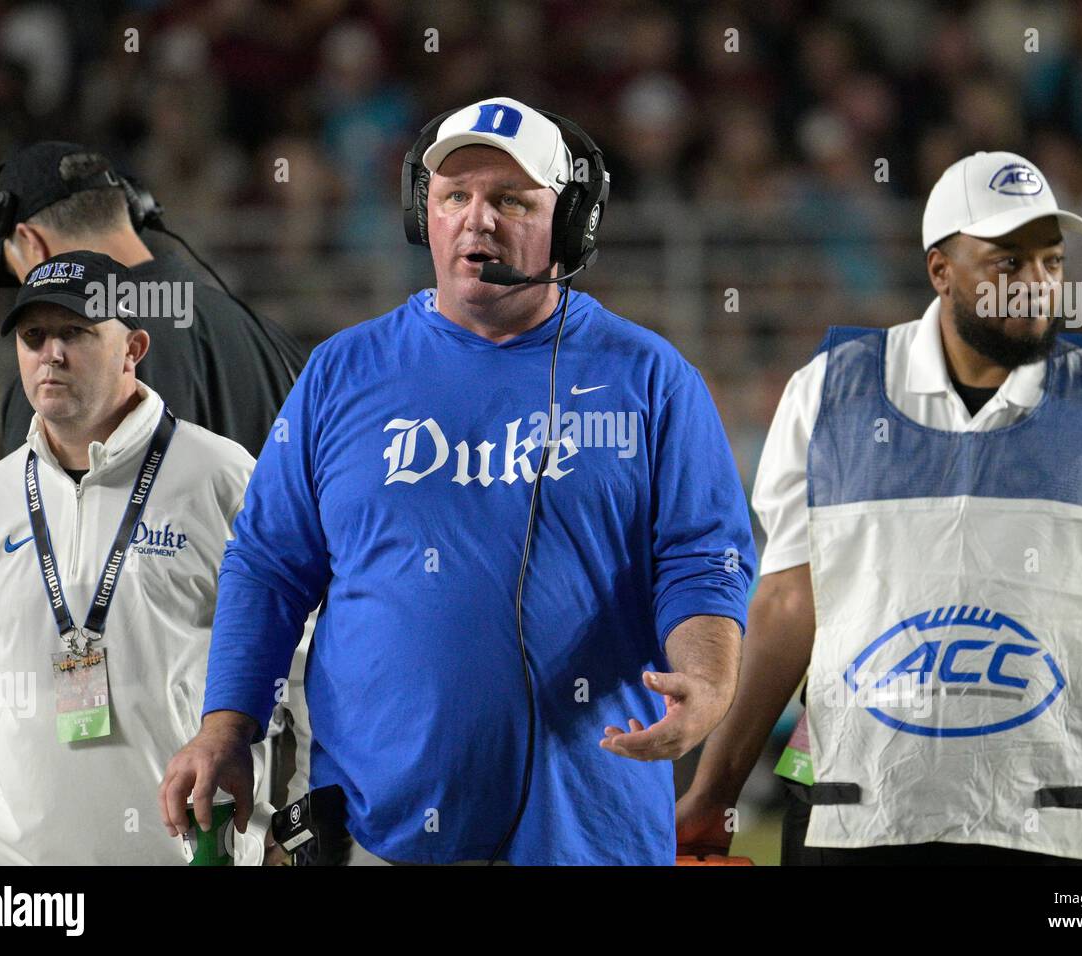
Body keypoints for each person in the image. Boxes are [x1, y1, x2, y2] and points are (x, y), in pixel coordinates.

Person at [159, 97, 756, 865]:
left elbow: (701, 558)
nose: (478, 220)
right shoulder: (341, 374)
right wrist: (225, 727)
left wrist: (705, 684)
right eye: (454, 197)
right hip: (382, 833)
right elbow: (270, 567)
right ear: (424, 215)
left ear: (571, 225)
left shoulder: (652, 380)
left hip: (590, 831)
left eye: (511, 199)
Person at [679, 151, 1082, 865]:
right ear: (940, 270)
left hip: (1047, 822)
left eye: (1052, 262)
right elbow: (787, 604)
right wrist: (717, 786)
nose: (1037, 285)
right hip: (847, 813)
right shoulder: (824, 394)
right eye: (1009, 262)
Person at [0, 252, 258, 864]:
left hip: (186, 854)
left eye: (75, 332)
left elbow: (292, 670)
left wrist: (287, 822)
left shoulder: (221, 477)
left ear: (133, 346)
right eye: (34, 336)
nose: (49, 353)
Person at [0, 140, 307, 460]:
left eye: (19, 274)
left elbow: (40, 511)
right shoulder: (266, 335)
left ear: (33, 244)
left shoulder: (55, 373)